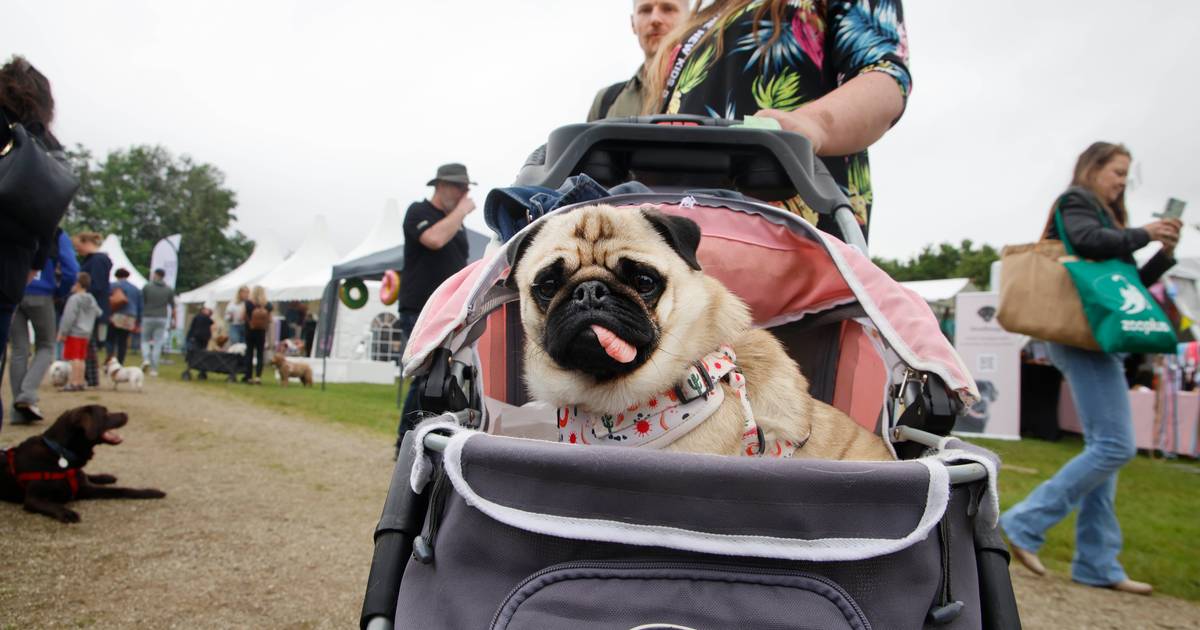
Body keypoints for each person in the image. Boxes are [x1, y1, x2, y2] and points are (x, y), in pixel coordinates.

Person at [999, 142, 1181, 596]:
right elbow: (1084, 242)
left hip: (1097, 338)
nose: (1123, 180)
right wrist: (1144, 233)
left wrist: (1163, 251)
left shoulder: (1109, 218)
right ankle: (1024, 522)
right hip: (1083, 339)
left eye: (1126, 174)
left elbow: (1128, 283)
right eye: (1118, 171)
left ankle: (1097, 562)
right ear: (1094, 167)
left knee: (1106, 450)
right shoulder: (1078, 202)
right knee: (1116, 445)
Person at [644, 0, 910, 237]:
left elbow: (885, 78)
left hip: (791, 228)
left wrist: (811, 125)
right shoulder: (704, 15)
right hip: (692, 232)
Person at [0, 56, 68, 427]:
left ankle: (20, 400)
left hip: (15, 271)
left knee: (21, 348)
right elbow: (49, 215)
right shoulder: (42, 142)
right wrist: (39, 264)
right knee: (40, 344)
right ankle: (24, 398)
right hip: (13, 268)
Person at [397, 163, 477, 450]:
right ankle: (407, 440)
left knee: (442, 378)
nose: (464, 193)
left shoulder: (456, 224)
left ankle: (426, 437)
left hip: (448, 313)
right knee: (425, 376)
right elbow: (433, 239)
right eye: (459, 187)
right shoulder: (418, 212)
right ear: (441, 185)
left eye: (466, 188)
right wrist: (461, 212)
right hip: (419, 309)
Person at [9, 228, 77, 423]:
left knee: (19, 350)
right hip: (42, 293)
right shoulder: (56, 232)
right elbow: (71, 269)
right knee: (46, 346)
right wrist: (59, 291)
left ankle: (18, 411)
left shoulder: (16, 223)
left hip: (14, 291)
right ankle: (27, 395)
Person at [587, 0, 688, 121]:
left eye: (668, 9)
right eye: (645, 10)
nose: (655, 19)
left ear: (691, 20)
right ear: (632, 23)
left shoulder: (708, 91)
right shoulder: (606, 102)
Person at [74, 232, 112, 387]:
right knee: (88, 343)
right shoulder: (95, 260)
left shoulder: (98, 260)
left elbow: (97, 285)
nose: (77, 250)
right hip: (91, 307)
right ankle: (89, 377)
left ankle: (91, 377)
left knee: (88, 343)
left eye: (77, 246)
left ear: (85, 242)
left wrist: (81, 294)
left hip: (92, 308)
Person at [57, 272, 102, 392]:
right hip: (87, 333)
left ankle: (74, 382)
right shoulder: (91, 298)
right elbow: (98, 312)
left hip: (74, 332)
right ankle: (81, 381)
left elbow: (69, 316)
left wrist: (63, 332)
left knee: (74, 358)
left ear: (77, 284)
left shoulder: (74, 299)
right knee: (81, 358)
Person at [140, 268, 176, 377]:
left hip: (148, 316)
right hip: (162, 318)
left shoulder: (147, 287)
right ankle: (154, 369)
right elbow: (173, 306)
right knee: (158, 343)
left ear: (155, 275)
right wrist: (174, 320)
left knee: (145, 340)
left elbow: (142, 301)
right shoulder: (168, 289)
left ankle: (146, 358)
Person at [107, 268, 142, 365]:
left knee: (111, 339)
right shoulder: (135, 288)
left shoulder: (113, 286)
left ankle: (110, 358)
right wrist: (138, 321)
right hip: (131, 316)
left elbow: (109, 301)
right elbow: (140, 306)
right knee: (123, 341)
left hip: (117, 315)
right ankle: (120, 362)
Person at [243, 285, 273, 384]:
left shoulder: (248, 303)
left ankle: (248, 376)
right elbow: (270, 319)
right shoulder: (268, 305)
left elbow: (243, 316)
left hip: (250, 331)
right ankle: (258, 377)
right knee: (260, 354)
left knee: (249, 353)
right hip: (261, 332)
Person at [186, 306, 215, 380]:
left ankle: (199, 370)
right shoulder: (203, 317)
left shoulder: (199, 317)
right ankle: (201, 371)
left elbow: (192, 327)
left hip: (199, 338)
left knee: (197, 353)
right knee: (200, 353)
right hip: (200, 338)